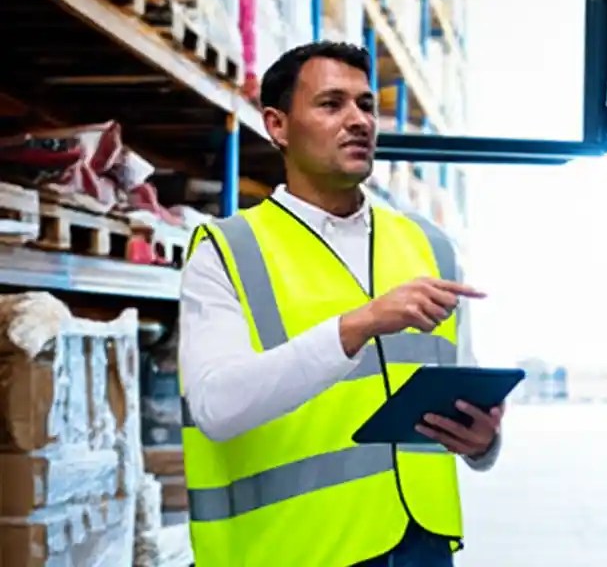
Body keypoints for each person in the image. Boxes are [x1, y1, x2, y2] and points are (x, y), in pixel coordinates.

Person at [178, 41, 501, 566]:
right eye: (331, 104)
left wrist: (483, 444)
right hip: (291, 551)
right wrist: (357, 326)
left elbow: (461, 394)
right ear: (278, 126)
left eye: (366, 105)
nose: (358, 120)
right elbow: (215, 407)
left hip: (421, 546)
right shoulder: (228, 252)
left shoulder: (429, 246)